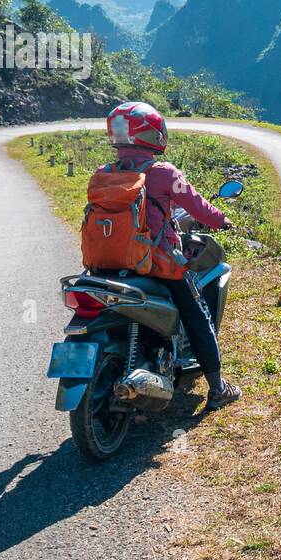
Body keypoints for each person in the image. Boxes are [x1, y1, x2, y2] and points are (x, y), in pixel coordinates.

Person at [104, 101, 242, 410]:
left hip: (109, 264)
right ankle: (218, 389)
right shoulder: (163, 173)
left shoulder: (105, 172)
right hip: (156, 264)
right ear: (152, 134)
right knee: (197, 314)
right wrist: (222, 220)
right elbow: (197, 206)